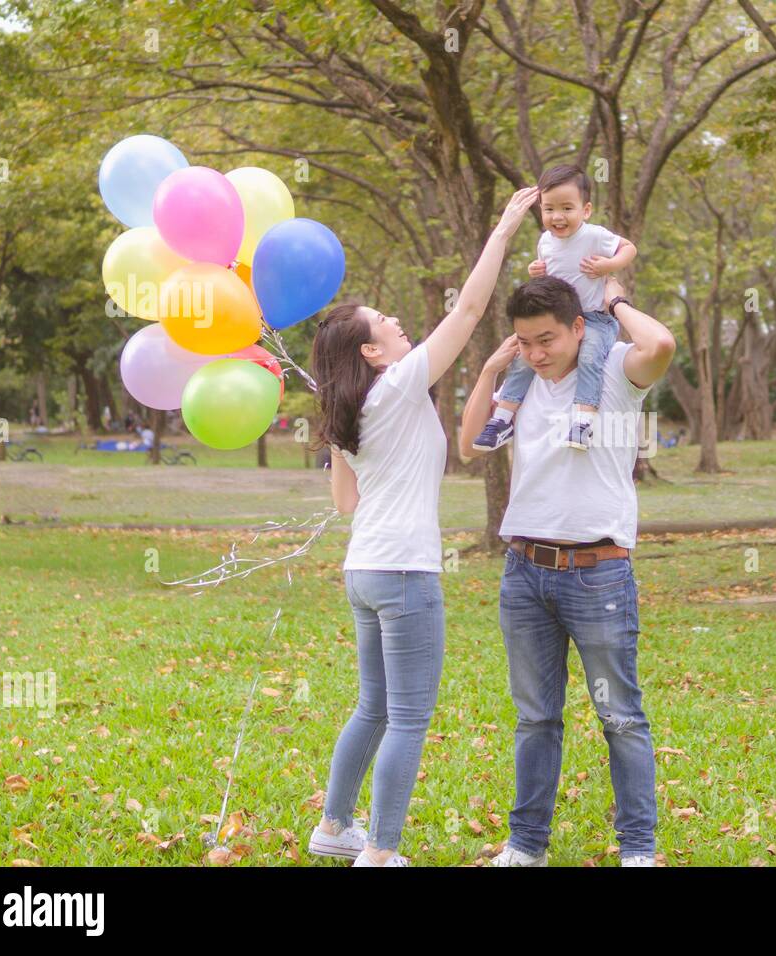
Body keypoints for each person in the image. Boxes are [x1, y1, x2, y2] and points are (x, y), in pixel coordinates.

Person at [305, 186, 539, 868]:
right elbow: (467, 309)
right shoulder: (401, 384)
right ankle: (378, 853)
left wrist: (494, 367)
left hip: (365, 571)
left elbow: (345, 504)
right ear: (374, 354)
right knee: (406, 717)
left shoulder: (352, 412)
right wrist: (502, 229)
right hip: (406, 571)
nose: (401, 323)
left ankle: (333, 828)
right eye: (387, 323)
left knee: (373, 708)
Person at [460, 274, 676, 866]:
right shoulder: (521, 383)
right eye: (524, 341)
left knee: (621, 718)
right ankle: (526, 846)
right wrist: (489, 371)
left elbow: (660, 346)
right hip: (524, 572)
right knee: (535, 719)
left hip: (598, 574)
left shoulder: (613, 372)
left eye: (547, 339)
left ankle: (637, 849)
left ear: (580, 328)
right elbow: (467, 446)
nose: (535, 352)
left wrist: (616, 301)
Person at [472, 165, 637, 453]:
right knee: (525, 358)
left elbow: (629, 248)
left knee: (589, 357)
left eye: (566, 208)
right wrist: (536, 270)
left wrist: (608, 266)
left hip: (595, 319)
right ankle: (502, 418)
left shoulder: (594, 236)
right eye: (549, 209)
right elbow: (549, 279)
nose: (557, 216)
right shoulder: (545, 242)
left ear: (585, 210)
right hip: (559, 320)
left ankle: (583, 420)